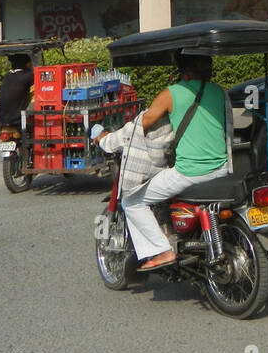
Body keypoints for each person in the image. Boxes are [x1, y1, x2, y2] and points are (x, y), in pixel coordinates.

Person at [96, 53, 231, 272]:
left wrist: (107, 140)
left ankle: (162, 250)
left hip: (190, 172)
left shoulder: (172, 94)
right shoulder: (219, 92)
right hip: (222, 169)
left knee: (132, 202)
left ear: (181, 69)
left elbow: (141, 125)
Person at [0, 53, 34, 134]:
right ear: (26, 64)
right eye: (30, 62)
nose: (31, 65)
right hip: (17, 119)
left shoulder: (7, 75)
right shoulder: (29, 76)